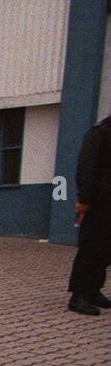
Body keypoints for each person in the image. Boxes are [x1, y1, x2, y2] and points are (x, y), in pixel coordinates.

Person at [68, 115, 111, 315]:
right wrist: (84, 200)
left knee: (105, 251)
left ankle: (93, 290)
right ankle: (78, 296)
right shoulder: (99, 134)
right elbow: (86, 169)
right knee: (91, 248)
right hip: (98, 203)